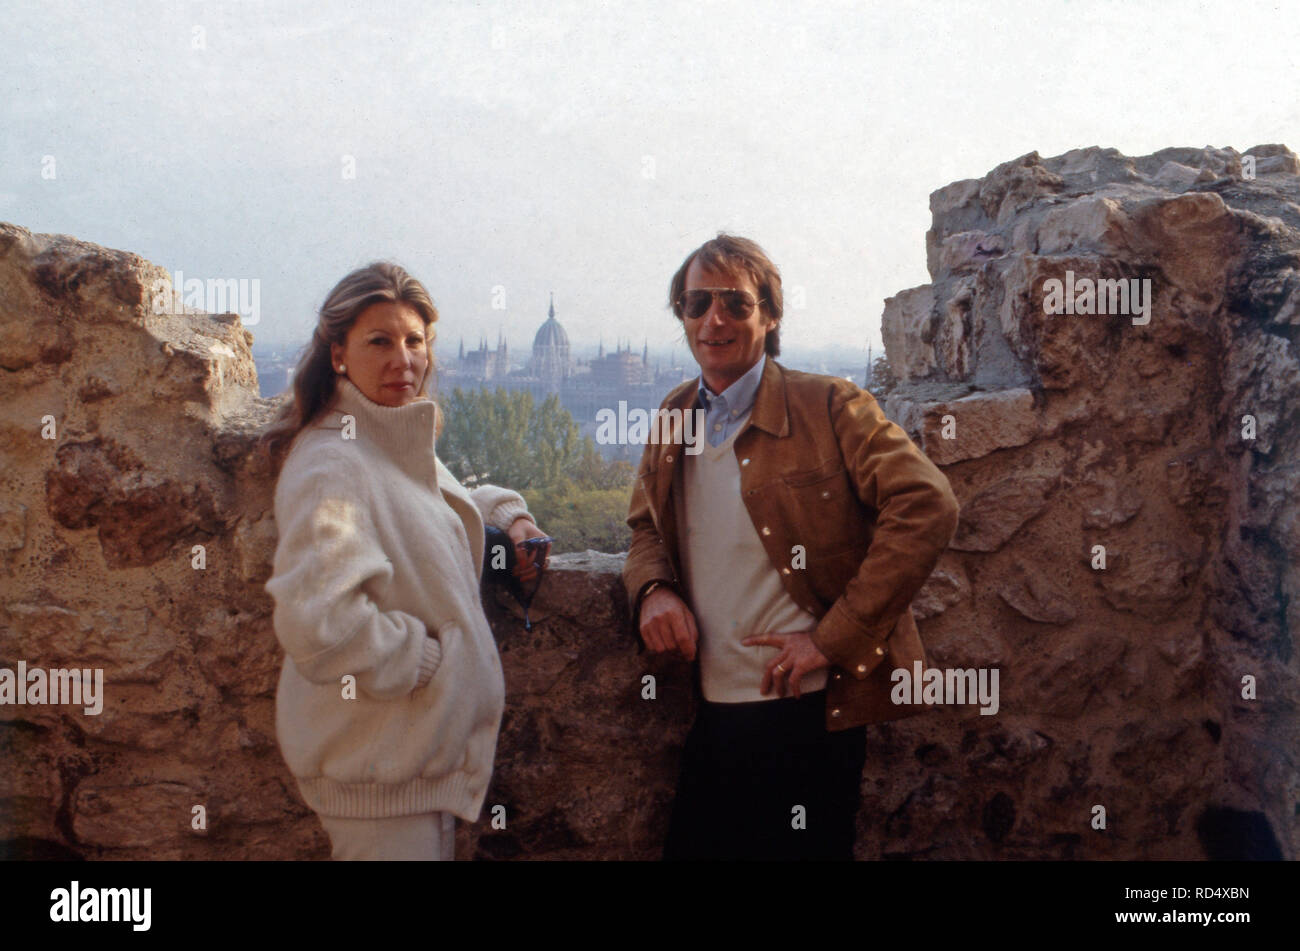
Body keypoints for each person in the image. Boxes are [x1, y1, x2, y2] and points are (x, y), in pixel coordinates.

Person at [623, 234, 960, 860]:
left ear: (769, 315)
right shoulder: (675, 414)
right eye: (697, 304)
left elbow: (927, 504)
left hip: (805, 714)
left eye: (735, 303)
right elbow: (645, 526)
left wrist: (831, 638)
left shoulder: (829, 405)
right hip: (714, 709)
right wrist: (653, 590)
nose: (713, 319)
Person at [261, 262, 550, 861]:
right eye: (380, 342)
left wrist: (510, 514)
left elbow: (434, 505)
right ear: (338, 353)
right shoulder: (332, 463)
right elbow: (316, 621)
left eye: (414, 341)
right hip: (380, 772)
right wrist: (422, 662)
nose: (403, 359)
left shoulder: (379, 436)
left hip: (403, 768)